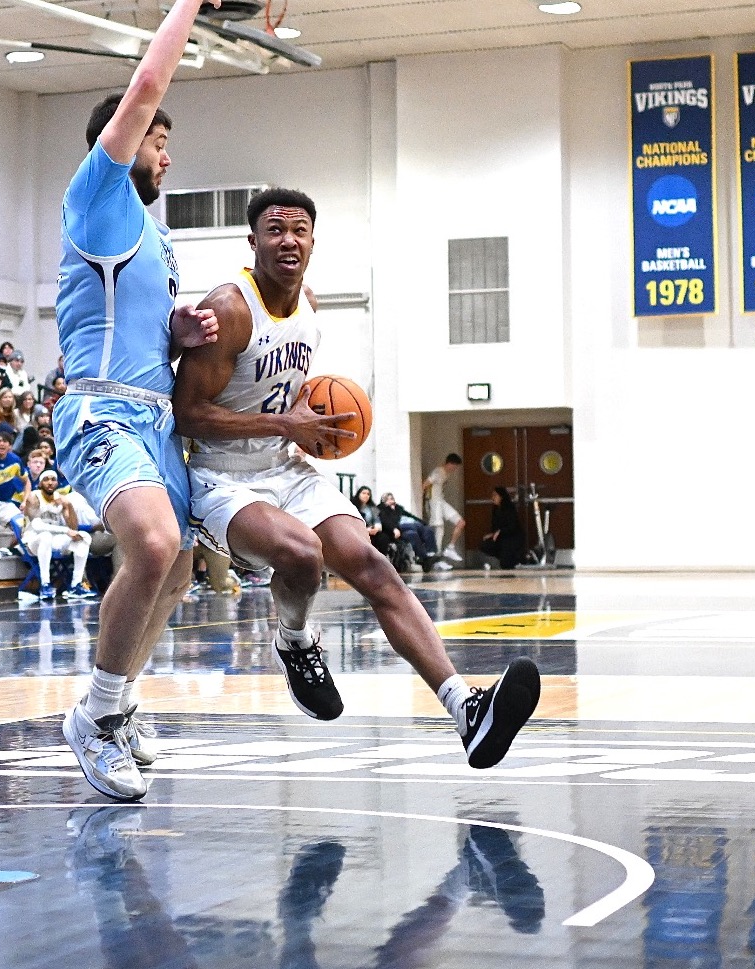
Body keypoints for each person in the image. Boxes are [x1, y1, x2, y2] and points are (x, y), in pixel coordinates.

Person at [172, 187, 539, 766]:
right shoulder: (232, 308)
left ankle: (465, 708)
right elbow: (188, 414)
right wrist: (283, 424)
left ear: (314, 241)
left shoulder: (310, 305)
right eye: (275, 229)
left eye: (299, 230)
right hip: (223, 478)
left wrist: (306, 425)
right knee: (300, 555)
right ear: (252, 242)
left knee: (373, 565)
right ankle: (295, 642)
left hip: (287, 467)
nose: (288, 240)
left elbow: (288, 401)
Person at [51, 0, 227, 802]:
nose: (167, 153)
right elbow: (148, 81)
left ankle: (118, 705)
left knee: (181, 567)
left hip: (154, 414)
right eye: (159, 138)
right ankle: (94, 715)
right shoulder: (97, 191)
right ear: (123, 140)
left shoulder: (155, 239)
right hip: (101, 410)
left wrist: (181, 332)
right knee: (152, 545)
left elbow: (139, 327)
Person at [22, 468, 89, 600]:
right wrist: (65, 531)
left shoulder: (61, 499)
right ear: (40, 484)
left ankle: (76, 585)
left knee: (84, 537)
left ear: (57, 484)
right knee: (45, 536)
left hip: (55, 540)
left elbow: (73, 527)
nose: (50, 482)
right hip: (33, 541)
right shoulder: (34, 497)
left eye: (53, 480)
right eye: (46, 480)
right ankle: (45, 584)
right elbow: (37, 526)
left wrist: (69, 506)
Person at [423, 453, 466, 569]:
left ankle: (450, 548)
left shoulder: (445, 473)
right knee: (438, 529)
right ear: (450, 464)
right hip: (433, 502)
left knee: (460, 522)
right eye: (455, 466)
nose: (455, 469)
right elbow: (425, 485)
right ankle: (436, 559)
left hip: (440, 501)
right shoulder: (438, 472)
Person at [379, 492, 438, 567]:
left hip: (409, 528)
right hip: (397, 529)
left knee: (426, 530)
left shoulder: (398, 508)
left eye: (392, 499)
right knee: (414, 528)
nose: (392, 501)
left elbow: (411, 516)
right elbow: (387, 522)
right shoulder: (382, 509)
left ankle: (431, 554)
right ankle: (423, 557)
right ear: (384, 502)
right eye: (389, 500)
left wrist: (423, 523)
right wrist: (392, 511)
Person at [479, 486, 526, 569]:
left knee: (506, 563)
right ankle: (504, 557)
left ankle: (514, 558)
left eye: (495, 495)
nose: (493, 498)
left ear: (501, 497)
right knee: (485, 544)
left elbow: (512, 526)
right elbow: (495, 526)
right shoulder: (496, 509)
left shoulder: (509, 508)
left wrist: (500, 531)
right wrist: (492, 534)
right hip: (501, 537)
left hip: (511, 538)